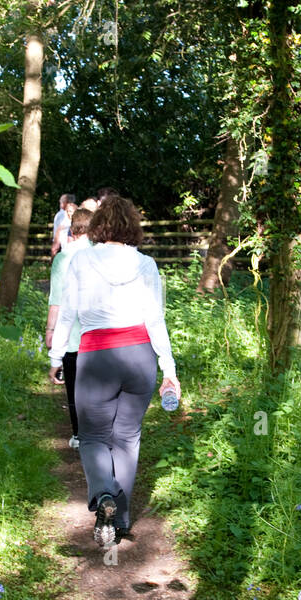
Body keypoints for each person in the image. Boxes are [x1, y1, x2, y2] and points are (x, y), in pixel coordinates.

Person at [48, 196, 180, 549]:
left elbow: (69, 313)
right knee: (127, 437)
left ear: (97, 226)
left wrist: (56, 356)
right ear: (131, 227)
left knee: (92, 437)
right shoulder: (146, 264)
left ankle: (104, 494)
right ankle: (118, 521)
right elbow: (155, 319)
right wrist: (169, 368)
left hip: (97, 356)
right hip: (139, 356)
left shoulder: (80, 261)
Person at [46, 207, 92, 448]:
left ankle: (79, 434)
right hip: (97, 337)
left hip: (71, 337)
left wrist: (50, 332)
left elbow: (56, 301)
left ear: (73, 230)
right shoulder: (101, 254)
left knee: (74, 388)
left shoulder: (63, 258)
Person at [51, 193, 76, 258]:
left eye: (61, 202)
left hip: (63, 245)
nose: (60, 204)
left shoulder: (62, 215)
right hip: (62, 245)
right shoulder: (62, 215)